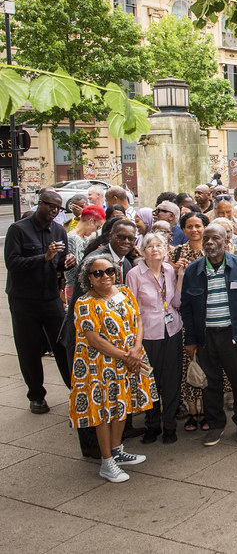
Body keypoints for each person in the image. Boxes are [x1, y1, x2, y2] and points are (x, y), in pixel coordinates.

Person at [69, 252, 155, 483]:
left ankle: (117, 450)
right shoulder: (85, 303)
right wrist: (127, 356)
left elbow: (138, 321)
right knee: (104, 412)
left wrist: (136, 350)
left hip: (130, 360)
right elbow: (94, 340)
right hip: (101, 367)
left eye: (109, 271)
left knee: (122, 405)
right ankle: (107, 462)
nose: (105, 276)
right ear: (89, 278)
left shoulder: (125, 292)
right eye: (97, 273)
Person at [180, 224, 237, 446]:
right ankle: (215, 425)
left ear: (226, 241)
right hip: (206, 338)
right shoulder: (193, 271)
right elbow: (186, 308)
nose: (210, 242)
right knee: (210, 384)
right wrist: (191, 340)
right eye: (206, 238)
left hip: (235, 335)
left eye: (215, 238)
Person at [4, 189, 74, 414]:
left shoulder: (59, 231)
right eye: (50, 206)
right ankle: (36, 395)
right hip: (24, 299)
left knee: (62, 344)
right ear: (39, 204)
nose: (54, 211)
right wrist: (43, 257)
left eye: (58, 208)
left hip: (50, 297)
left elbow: (59, 264)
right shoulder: (18, 230)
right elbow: (12, 262)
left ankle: (74, 388)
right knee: (29, 347)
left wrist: (67, 262)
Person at [126, 233, 185, 444]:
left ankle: (169, 425)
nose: (154, 249)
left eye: (159, 245)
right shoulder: (134, 274)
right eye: (149, 246)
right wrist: (135, 341)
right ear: (142, 252)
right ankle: (152, 424)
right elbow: (131, 310)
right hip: (148, 335)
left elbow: (176, 302)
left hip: (172, 331)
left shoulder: (170, 270)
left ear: (166, 249)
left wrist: (180, 278)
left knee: (171, 381)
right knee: (149, 379)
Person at [66, 204, 107, 298]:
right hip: (75, 288)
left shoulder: (85, 238)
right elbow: (77, 267)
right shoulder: (72, 238)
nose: (95, 231)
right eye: (97, 227)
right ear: (91, 221)